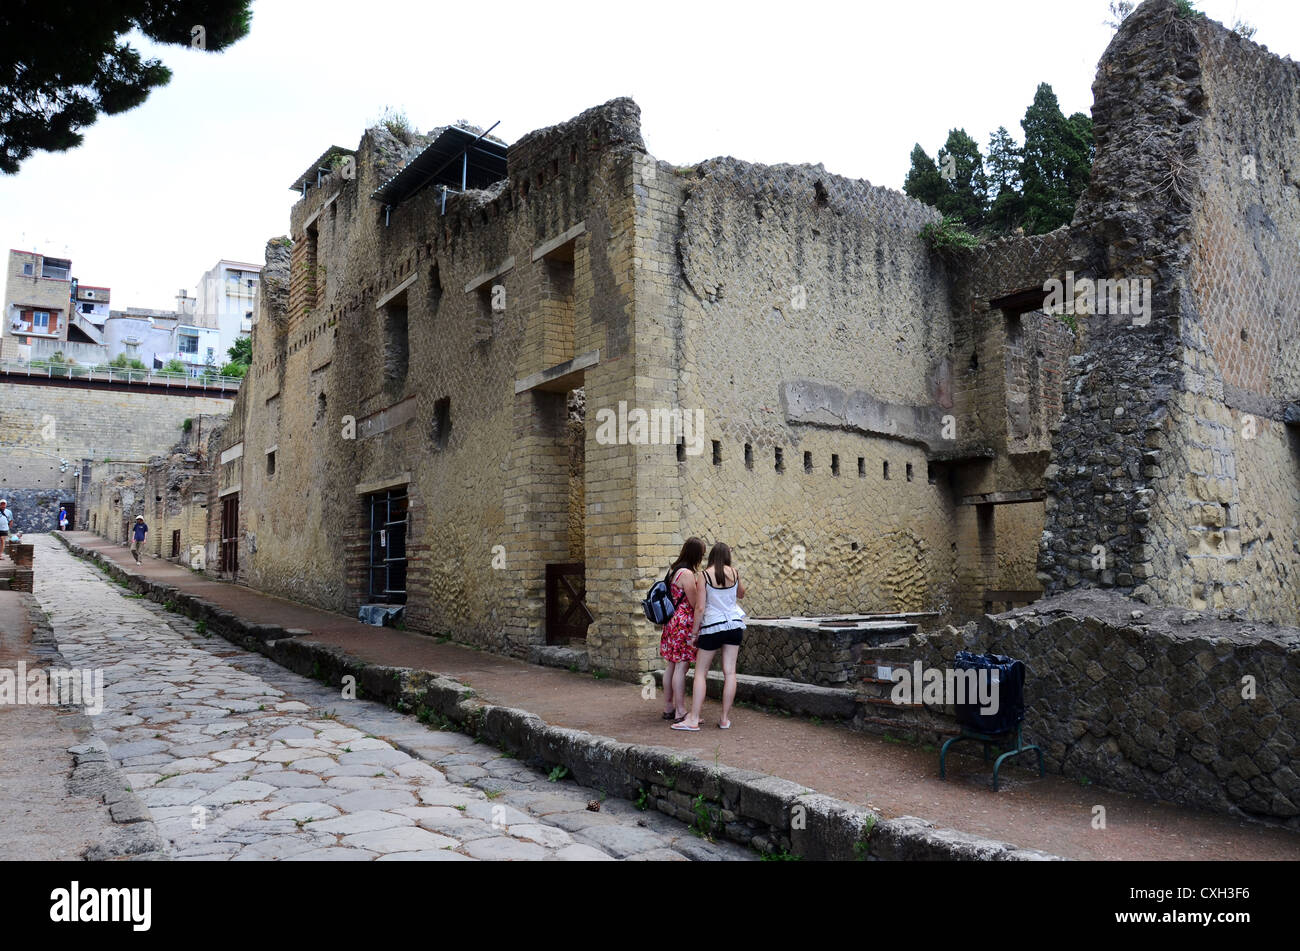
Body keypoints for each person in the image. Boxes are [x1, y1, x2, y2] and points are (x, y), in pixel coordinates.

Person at [673, 542, 746, 732]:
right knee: (730, 672)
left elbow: (700, 607)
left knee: (700, 673)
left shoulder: (704, 575)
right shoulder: (735, 572)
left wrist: (694, 633)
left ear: (711, 556)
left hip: (712, 626)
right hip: (734, 624)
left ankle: (693, 719)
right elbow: (742, 594)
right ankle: (724, 719)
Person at [659, 537, 705, 723]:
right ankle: (680, 711)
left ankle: (668, 706)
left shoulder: (674, 571)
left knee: (671, 665)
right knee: (681, 666)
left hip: (671, 622)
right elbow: (694, 603)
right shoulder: (687, 574)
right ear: (695, 554)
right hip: (683, 623)